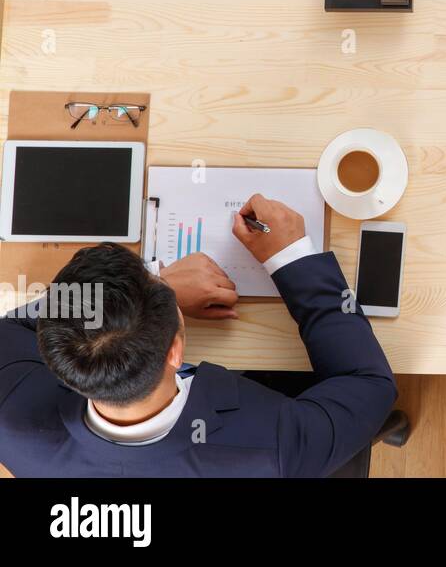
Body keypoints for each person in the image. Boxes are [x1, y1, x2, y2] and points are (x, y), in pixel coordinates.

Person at [0, 195, 396, 477]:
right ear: (174, 349)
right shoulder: (270, 450)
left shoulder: (9, 420)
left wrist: (149, 295)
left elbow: (10, 327)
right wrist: (291, 257)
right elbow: (369, 384)